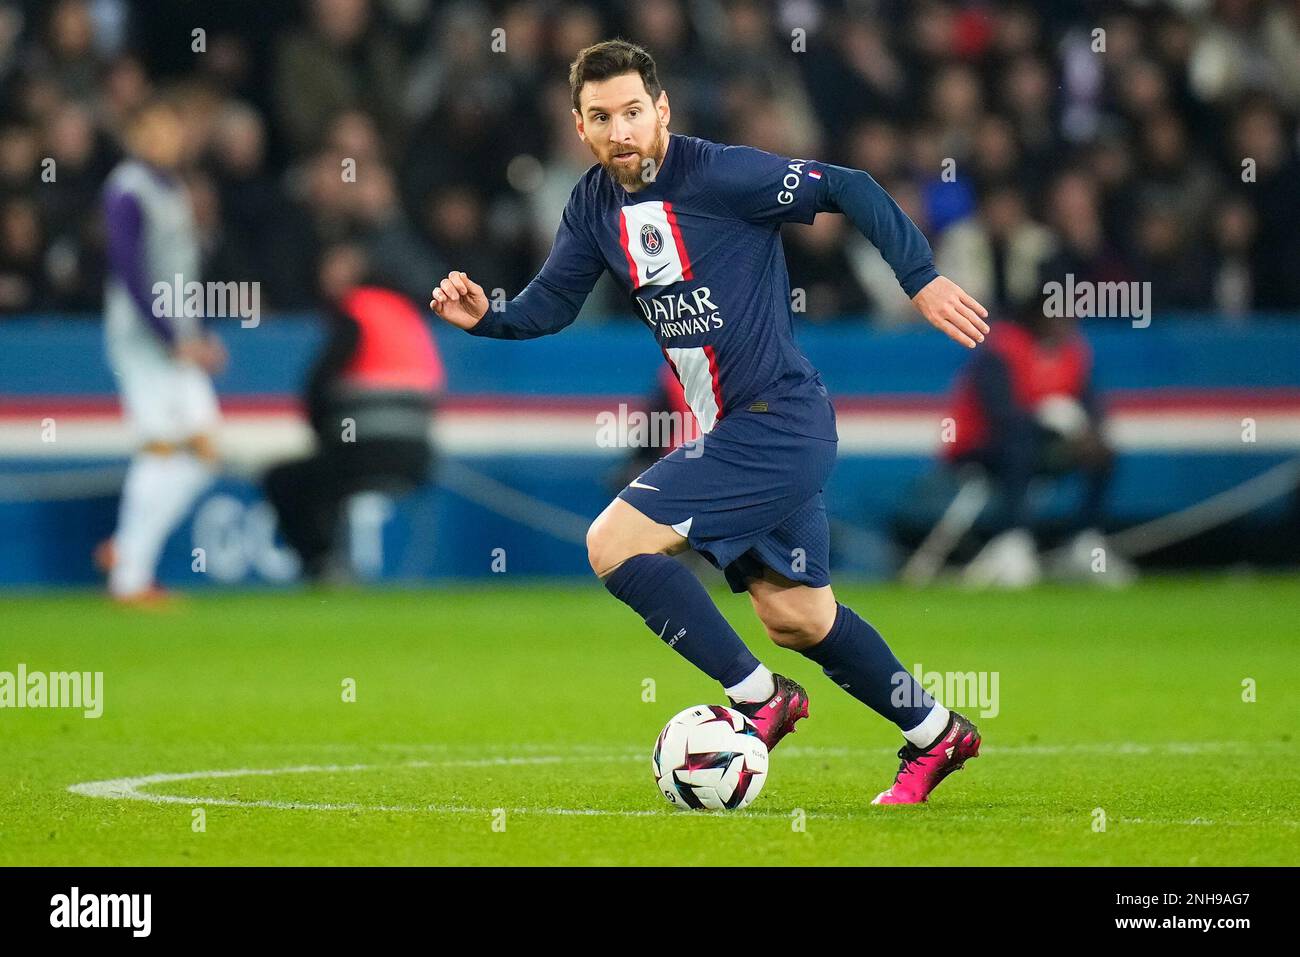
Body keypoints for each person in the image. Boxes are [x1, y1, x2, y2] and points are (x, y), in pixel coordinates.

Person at [430, 41, 990, 805]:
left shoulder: (723, 175)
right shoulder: (593, 205)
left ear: (661, 110)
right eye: (602, 118)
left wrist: (919, 279)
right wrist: (486, 318)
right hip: (737, 430)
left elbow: (850, 186)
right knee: (797, 615)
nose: (620, 130)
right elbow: (550, 306)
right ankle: (937, 734)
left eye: (633, 112)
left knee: (612, 542)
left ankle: (761, 699)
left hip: (778, 420)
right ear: (580, 126)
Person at [96, 96, 226, 605]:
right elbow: (129, 271)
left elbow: (177, 272)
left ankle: (127, 550)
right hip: (142, 338)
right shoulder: (127, 189)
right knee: (164, 444)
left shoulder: (173, 187)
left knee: (203, 449)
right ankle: (129, 579)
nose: (169, 138)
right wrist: (175, 340)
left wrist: (193, 334)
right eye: (158, 128)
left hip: (175, 336)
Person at [266, 246, 443, 582]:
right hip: (418, 456)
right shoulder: (404, 313)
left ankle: (321, 565)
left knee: (284, 480)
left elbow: (317, 385)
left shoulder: (356, 311)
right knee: (321, 479)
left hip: (362, 452)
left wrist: (324, 432)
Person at [944, 303, 1133, 588]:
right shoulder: (1002, 348)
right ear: (1037, 316)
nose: (1065, 324)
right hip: (979, 449)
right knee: (1018, 441)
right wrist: (1046, 416)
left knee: (1101, 452)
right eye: (1057, 316)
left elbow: (1092, 407)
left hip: (1038, 448)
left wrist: (1085, 431)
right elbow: (999, 413)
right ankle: (1013, 538)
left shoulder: (1073, 352)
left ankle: (1083, 539)